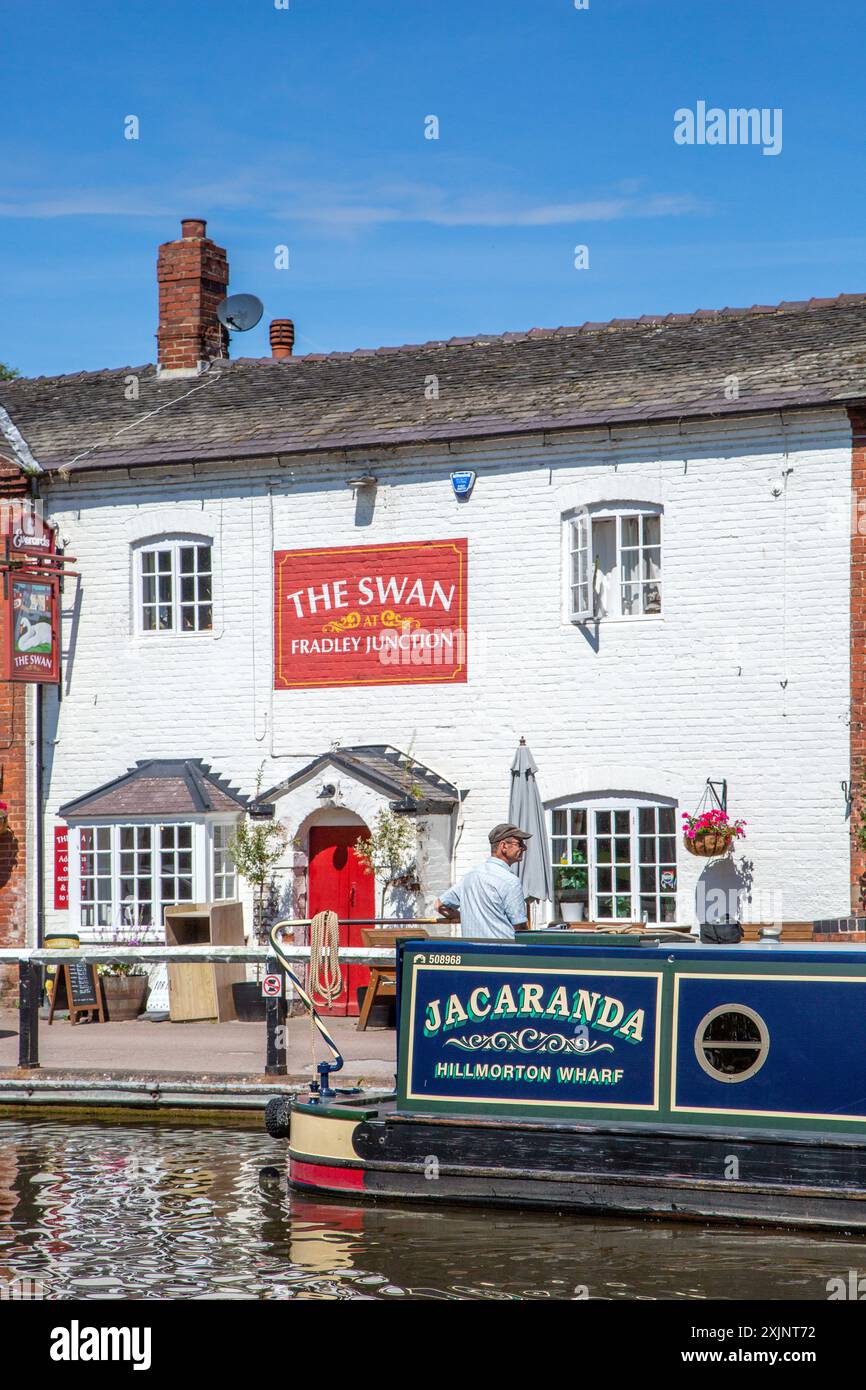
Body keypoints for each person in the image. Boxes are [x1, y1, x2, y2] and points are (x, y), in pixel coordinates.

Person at [434, 823, 531, 940]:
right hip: (504, 952)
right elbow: (520, 927)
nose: (524, 848)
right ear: (503, 846)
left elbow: (439, 905)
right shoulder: (510, 881)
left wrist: (467, 918)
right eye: (519, 844)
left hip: (472, 952)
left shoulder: (470, 876)